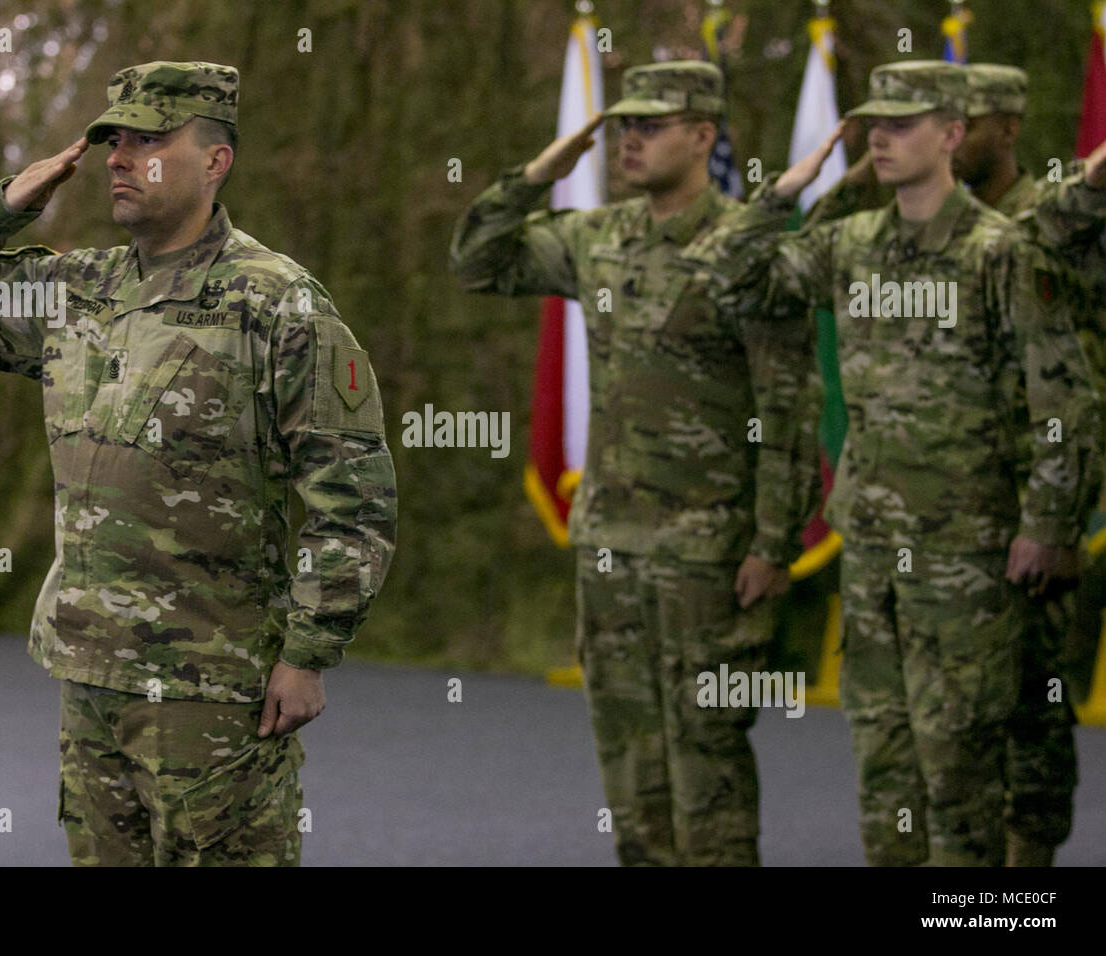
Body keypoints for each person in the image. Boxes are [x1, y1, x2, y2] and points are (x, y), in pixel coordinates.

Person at [0, 60, 397, 866]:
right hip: (88, 672)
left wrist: (309, 651)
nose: (120, 158)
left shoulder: (275, 303)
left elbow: (355, 496)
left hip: (213, 688)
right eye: (114, 140)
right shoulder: (74, 290)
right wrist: (5, 206)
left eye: (151, 140)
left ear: (215, 160)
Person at [450, 60, 834, 865]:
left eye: (649, 126)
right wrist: (534, 177)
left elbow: (790, 407)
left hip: (710, 551)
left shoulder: (747, 252)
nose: (628, 140)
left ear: (703, 136)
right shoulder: (600, 238)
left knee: (707, 762)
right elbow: (479, 262)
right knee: (628, 760)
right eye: (623, 125)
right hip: (612, 545)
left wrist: (774, 541)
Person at [757, 60, 1100, 866]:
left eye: (904, 122)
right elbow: (742, 277)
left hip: (979, 542)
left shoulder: (1009, 246)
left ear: (958, 133)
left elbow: (1068, 399)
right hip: (880, 547)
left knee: (976, 762)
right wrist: (799, 188)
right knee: (888, 763)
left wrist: (1049, 524)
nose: (880, 135)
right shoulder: (858, 243)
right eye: (873, 120)